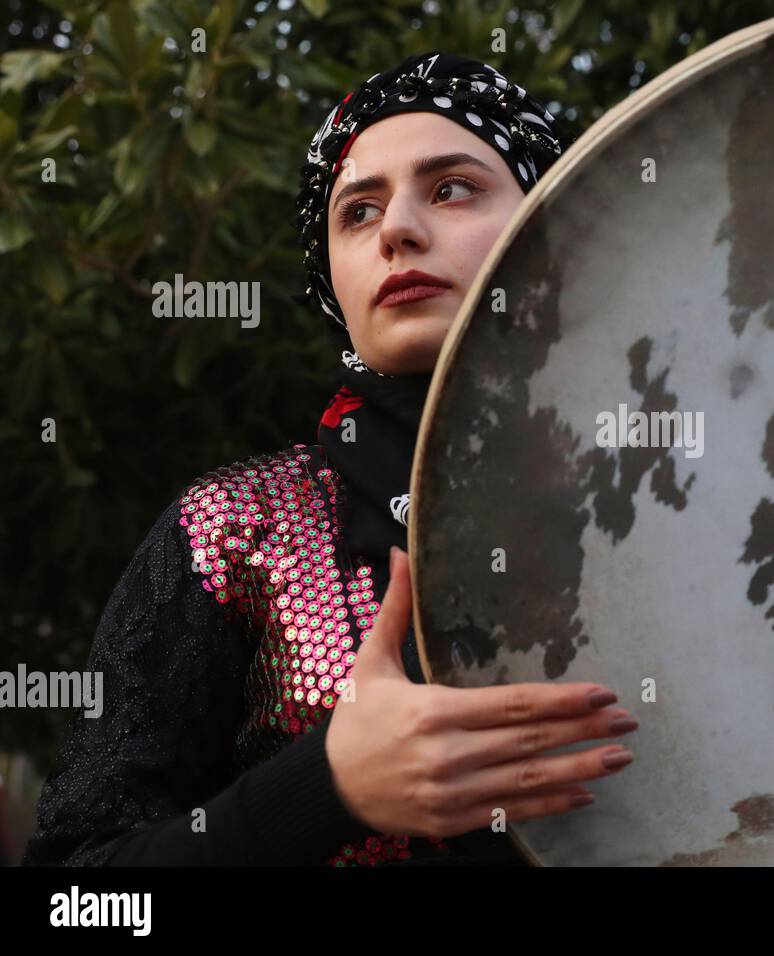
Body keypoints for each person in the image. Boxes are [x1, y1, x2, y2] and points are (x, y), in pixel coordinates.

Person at [23, 51, 638, 867]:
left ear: (552, 234)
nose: (398, 230)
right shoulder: (232, 534)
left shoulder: (687, 497)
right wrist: (324, 788)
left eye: (452, 187)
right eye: (357, 213)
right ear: (333, 287)